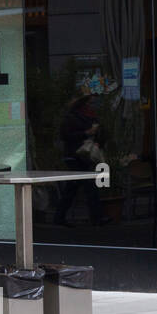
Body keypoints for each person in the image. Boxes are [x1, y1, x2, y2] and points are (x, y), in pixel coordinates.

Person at [54, 94, 110, 227]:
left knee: (74, 187)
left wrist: (97, 142)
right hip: (75, 155)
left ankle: (60, 217)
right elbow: (65, 136)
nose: (92, 105)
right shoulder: (72, 118)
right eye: (90, 103)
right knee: (87, 186)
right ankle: (96, 217)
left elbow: (102, 134)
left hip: (86, 155)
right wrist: (86, 133)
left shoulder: (93, 117)